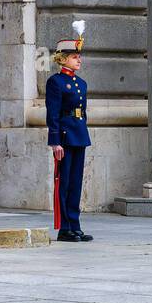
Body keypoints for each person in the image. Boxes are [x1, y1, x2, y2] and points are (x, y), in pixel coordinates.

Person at [47, 21, 92, 242]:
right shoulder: (56, 82)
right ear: (63, 59)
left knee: (75, 183)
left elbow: (83, 112)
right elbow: (53, 114)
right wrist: (55, 142)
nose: (79, 59)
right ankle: (64, 228)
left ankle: (75, 225)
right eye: (75, 57)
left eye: (79, 56)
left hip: (79, 135)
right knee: (63, 182)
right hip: (64, 137)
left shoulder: (81, 84)